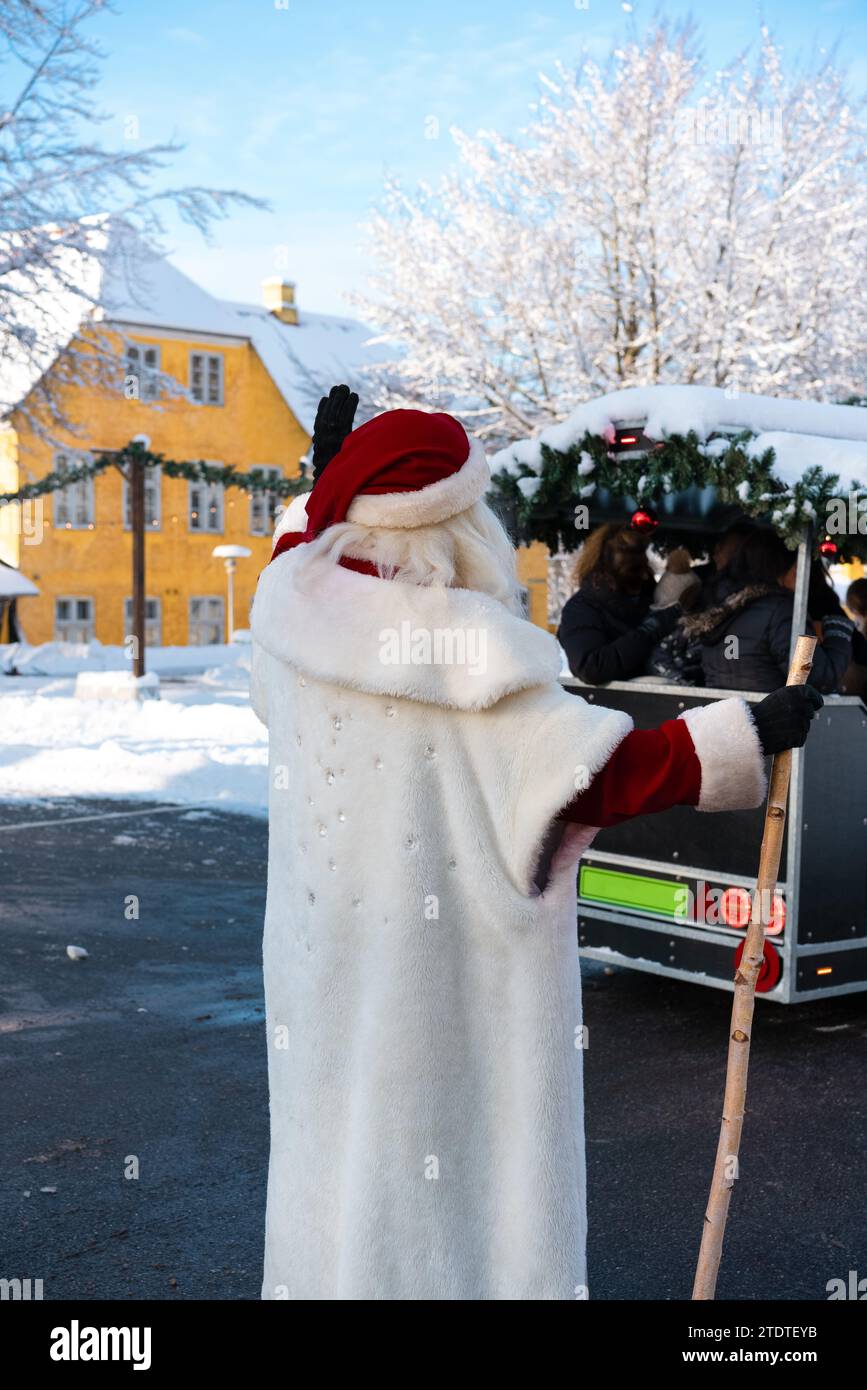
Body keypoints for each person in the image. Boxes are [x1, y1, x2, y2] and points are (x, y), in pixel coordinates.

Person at [250, 394, 821, 1301]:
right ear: (455, 520)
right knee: (442, 1202)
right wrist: (745, 735)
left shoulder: (286, 615)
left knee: (338, 1170)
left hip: (321, 971)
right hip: (440, 993)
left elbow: (300, 560)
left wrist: (325, 493)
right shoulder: (464, 650)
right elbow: (592, 776)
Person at [684, 528, 852, 693]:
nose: (798, 572)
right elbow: (813, 678)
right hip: (770, 717)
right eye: (796, 565)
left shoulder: (718, 606)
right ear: (782, 566)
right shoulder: (783, 612)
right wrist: (839, 633)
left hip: (721, 715)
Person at [557, 522, 681, 684]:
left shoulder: (651, 596)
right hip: (611, 705)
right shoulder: (581, 609)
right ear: (606, 572)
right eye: (633, 570)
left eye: (645, 567)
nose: (643, 576)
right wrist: (648, 631)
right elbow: (591, 668)